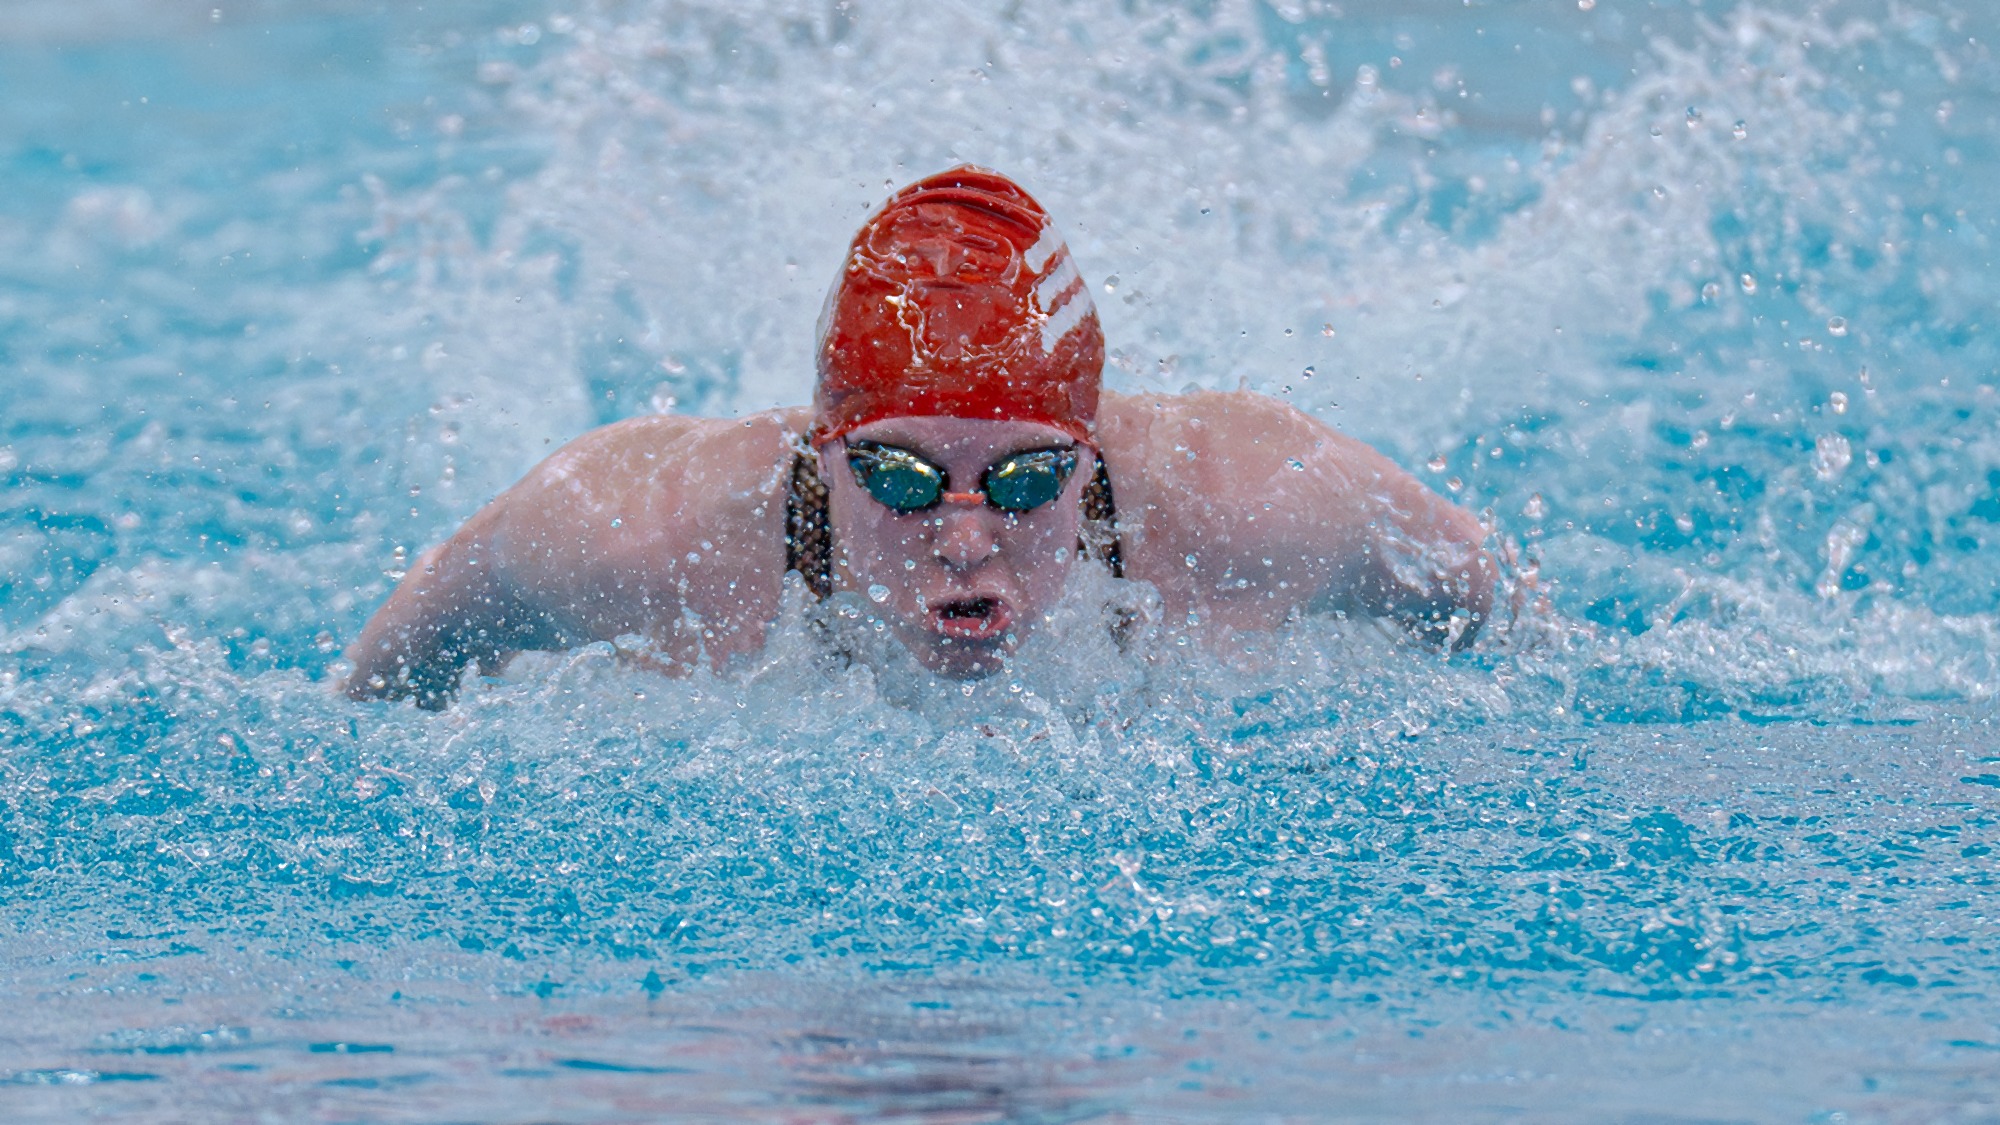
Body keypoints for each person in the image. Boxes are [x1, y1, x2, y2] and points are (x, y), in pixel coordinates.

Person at [343, 167, 1494, 708]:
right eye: (895, 476)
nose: (962, 537)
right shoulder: (625, 532)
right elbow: (375, 695)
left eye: (1027, 474)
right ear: (821, 449)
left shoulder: (1257, 502)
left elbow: (1492, 617)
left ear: (1091, 456)